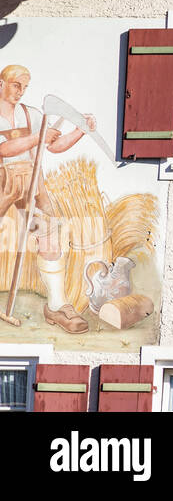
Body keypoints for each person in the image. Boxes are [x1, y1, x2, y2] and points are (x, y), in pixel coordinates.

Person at [0, 64, 97, 334]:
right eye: (16, 84)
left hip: (31, 181)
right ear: (1, 83)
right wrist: (37, 138)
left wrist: (80, 130)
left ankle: (57, 305)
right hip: (1, 181)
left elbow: (53, 146)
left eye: (25, 86)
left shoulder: (31, 115)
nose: (20, 91)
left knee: (49, 235)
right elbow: (4, 148)